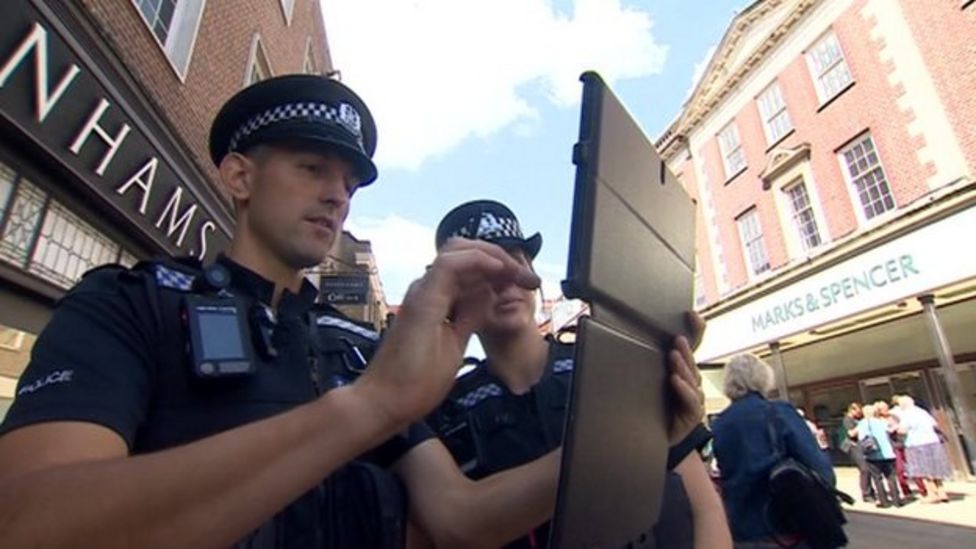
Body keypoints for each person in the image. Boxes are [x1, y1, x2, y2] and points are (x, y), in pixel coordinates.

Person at [0, 75, 563, 547]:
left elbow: (461, 519)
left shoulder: (360, 349)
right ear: (240, 176)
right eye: (312, 168)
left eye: (347, 182)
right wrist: (368, 407)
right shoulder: (133, 302)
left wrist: (634, 429)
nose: (337, 195)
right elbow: (30, 522)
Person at [426, 200, 731, 549]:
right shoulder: (446, 411)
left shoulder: (610, 372)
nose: (507, 279)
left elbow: (704, 506)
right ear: (452, 294)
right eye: (483, 270)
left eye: (516, 258)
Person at [711, 354, 836, 548]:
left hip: (741, 528)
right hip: (785, 525)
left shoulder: (719, 424)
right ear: (762, 378)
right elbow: (820, 468)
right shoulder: (778, 411)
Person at [895, 395, 952, 503]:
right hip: (933, 442)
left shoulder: (907, 414)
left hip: (917, 444)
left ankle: (931, 494)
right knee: (935, 468)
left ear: (903, 405)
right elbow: (934, 424)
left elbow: (902, 430)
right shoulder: (922, 412)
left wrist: (897, 429)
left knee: (923, 469)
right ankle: (941, 492)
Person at [855, 404, 902, 508]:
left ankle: (884, 501)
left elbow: (861, 438)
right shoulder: (881, 422)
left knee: (877, 478)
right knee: (891, 477)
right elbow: (891, 431)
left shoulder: (862, 424)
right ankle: (897, 500)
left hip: (873, 455)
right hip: (888, 453)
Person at [887, 395, 927, 499]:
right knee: (911, 466)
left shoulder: (898, 413)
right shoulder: (909, 412)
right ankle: (922, 488)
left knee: (902, 468)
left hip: (902, 442)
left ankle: (909, 489)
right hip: (904, 442)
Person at [840, 402, 874, 502]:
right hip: (853, 446)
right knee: (864, 469)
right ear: (852, 410)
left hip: (860, 445)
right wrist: (861, 427)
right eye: (858, 412)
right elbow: (851, 433)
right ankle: (866, 493)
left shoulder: (857, 420)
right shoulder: (848, 420)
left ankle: (870, 490)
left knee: (868, 468)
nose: (860, 414)